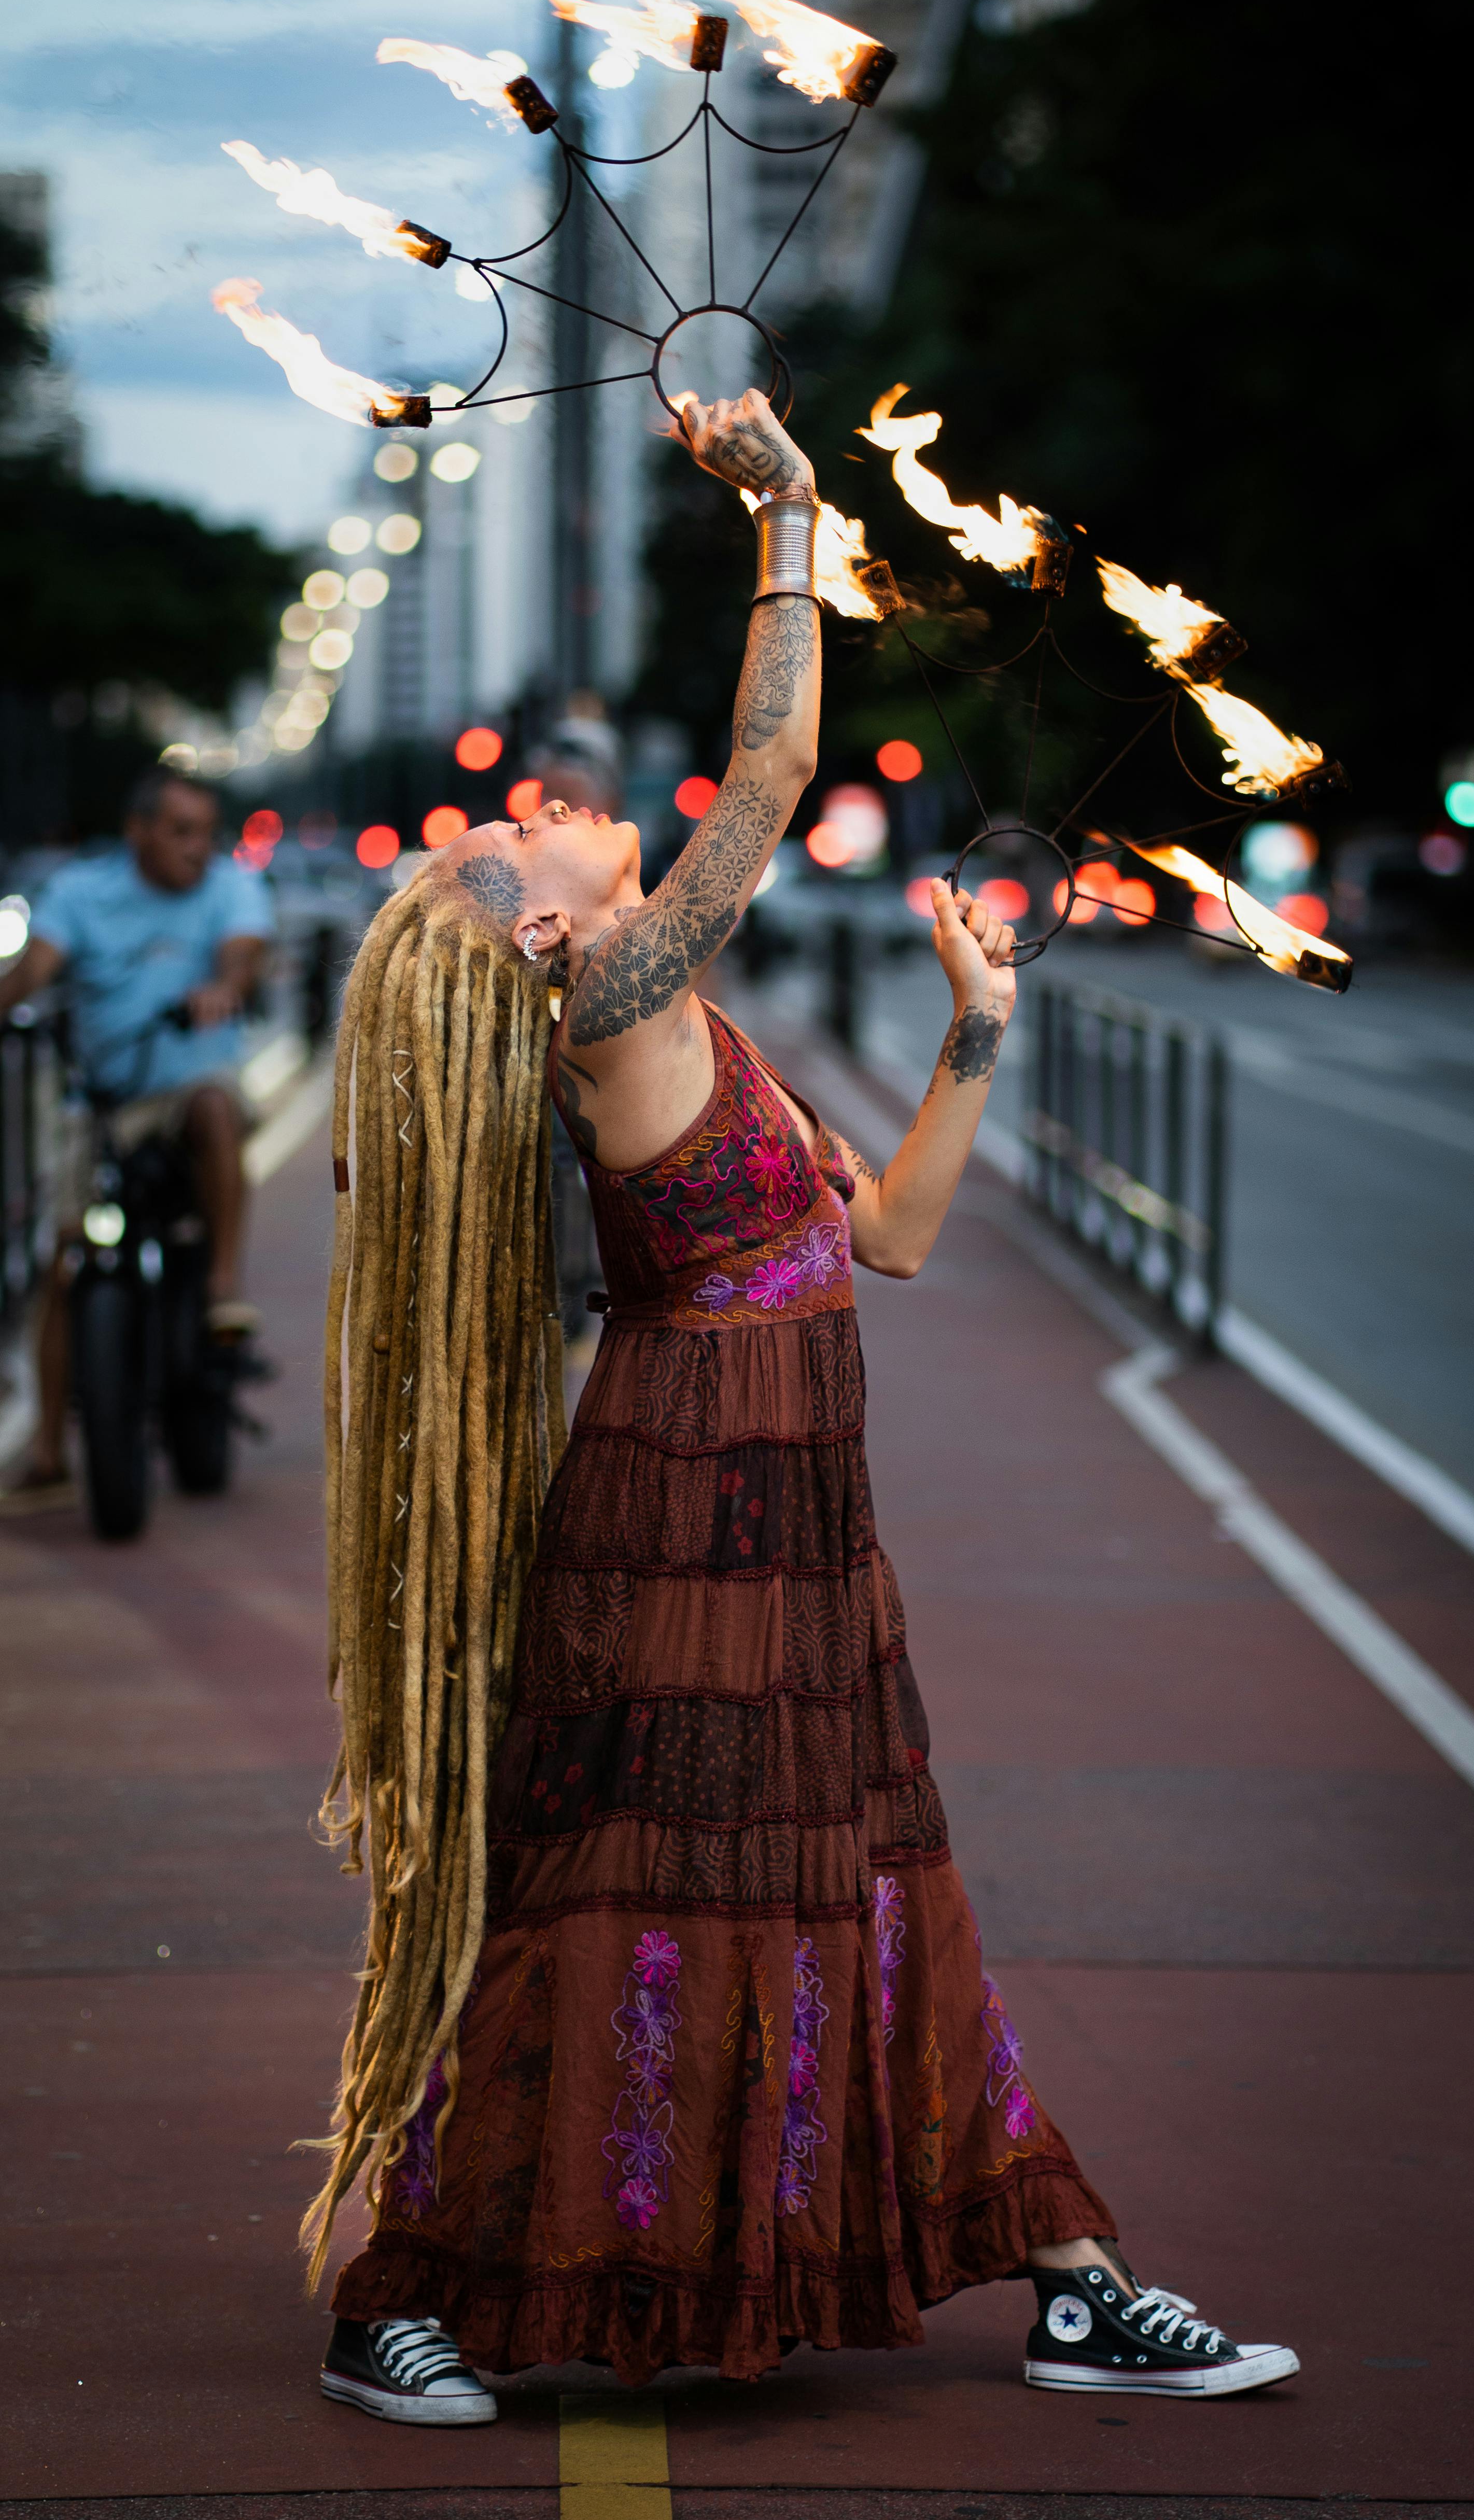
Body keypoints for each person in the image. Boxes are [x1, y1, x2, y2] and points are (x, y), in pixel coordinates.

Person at [309, 390, 1300, 2424]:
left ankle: (1067, 2271)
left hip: (798, 1514)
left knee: (881, 1882)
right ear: (547, 922)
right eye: (535, 827)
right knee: (612, 1901)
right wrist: (790, 512)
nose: (567, 806)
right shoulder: (611, 996)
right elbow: (768, 766)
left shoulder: (698, 1021)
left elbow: (898, 1238)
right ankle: (399, 2290)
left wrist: (971, 1031)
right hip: (684, 1515)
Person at [0, 769, 273, 1504]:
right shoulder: (82, 892)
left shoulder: (230, 886)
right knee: (63, 1262)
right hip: (101, 1101)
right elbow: (33, 972)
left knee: (219, 1106)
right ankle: (53, 1447)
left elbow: (243, 954)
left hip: (186, 1091)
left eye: (205, 832)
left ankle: (220, 1286)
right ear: (138, 832)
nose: (198, 848)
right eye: (180, 831)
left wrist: (225, 987)